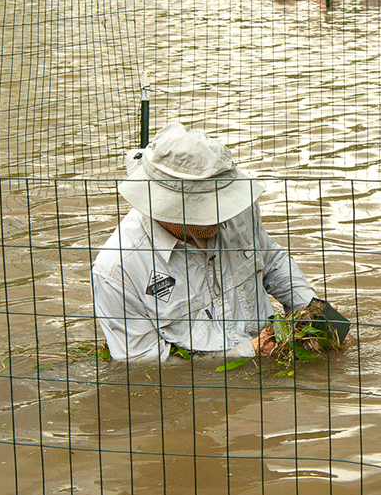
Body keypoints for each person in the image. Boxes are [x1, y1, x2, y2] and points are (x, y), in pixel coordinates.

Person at [91, 122, 324, 361]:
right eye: (207, 208)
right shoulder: (118, 270)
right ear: (164, 206)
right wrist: (246, 352)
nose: (223, 218)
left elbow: (271, 259)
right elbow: (142, 362)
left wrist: (311, 312)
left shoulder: (240, 211)